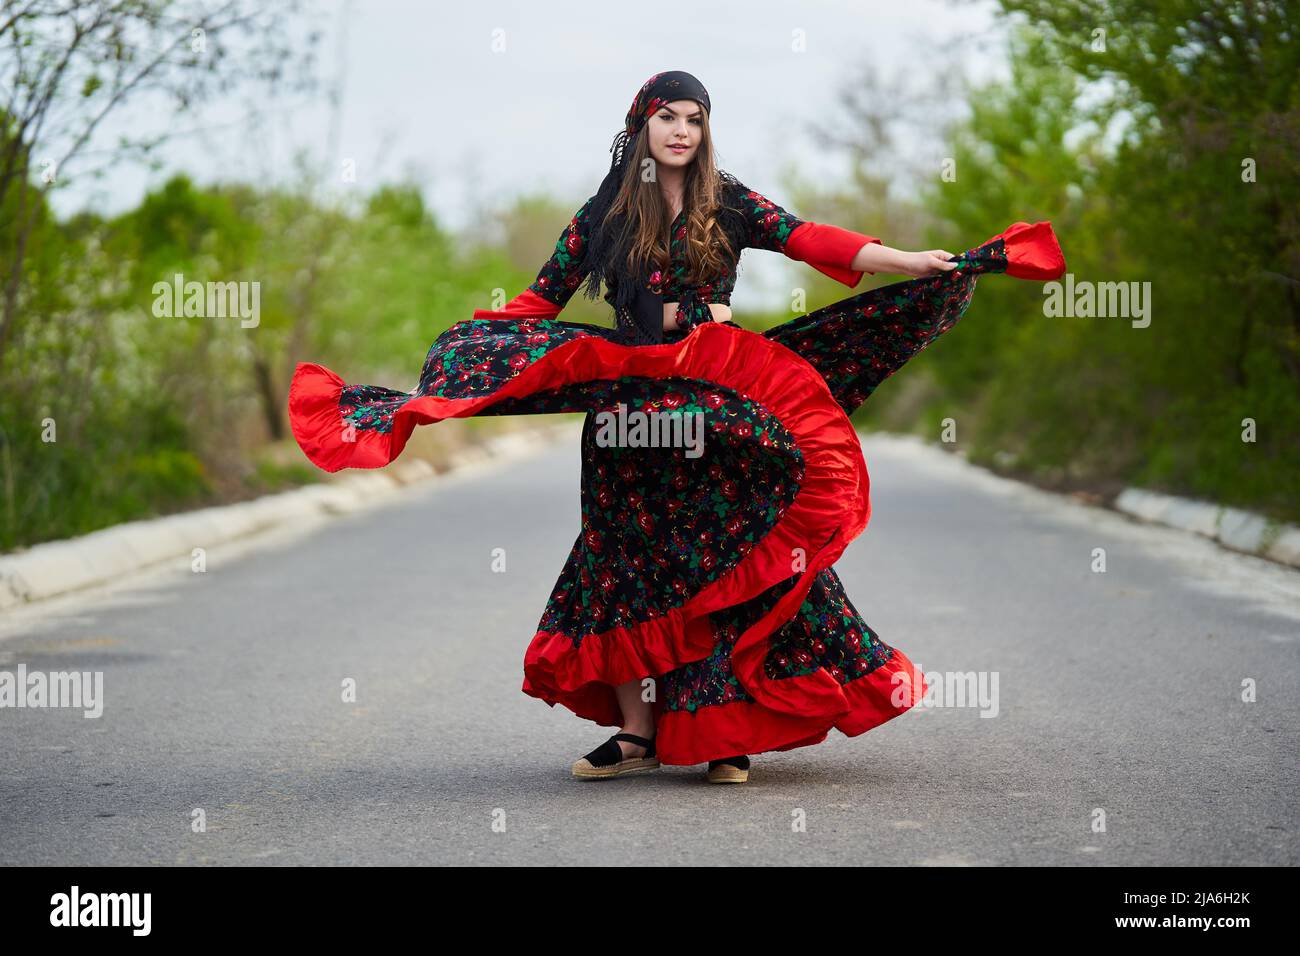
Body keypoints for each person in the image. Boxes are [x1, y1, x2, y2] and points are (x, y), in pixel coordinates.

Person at [287, 70, 1065, 786]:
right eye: (669, 116)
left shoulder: (724, 199)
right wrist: (472, 354)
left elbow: (807, 237)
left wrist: (906, 259)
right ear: (643, 124)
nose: (683, 130)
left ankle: (722, 729)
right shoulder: (604, 211)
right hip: (630, 399)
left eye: (695, 118)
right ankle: (638, 733)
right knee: (620, 552)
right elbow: (540, 300)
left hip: (719, 390)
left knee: (722, 548)